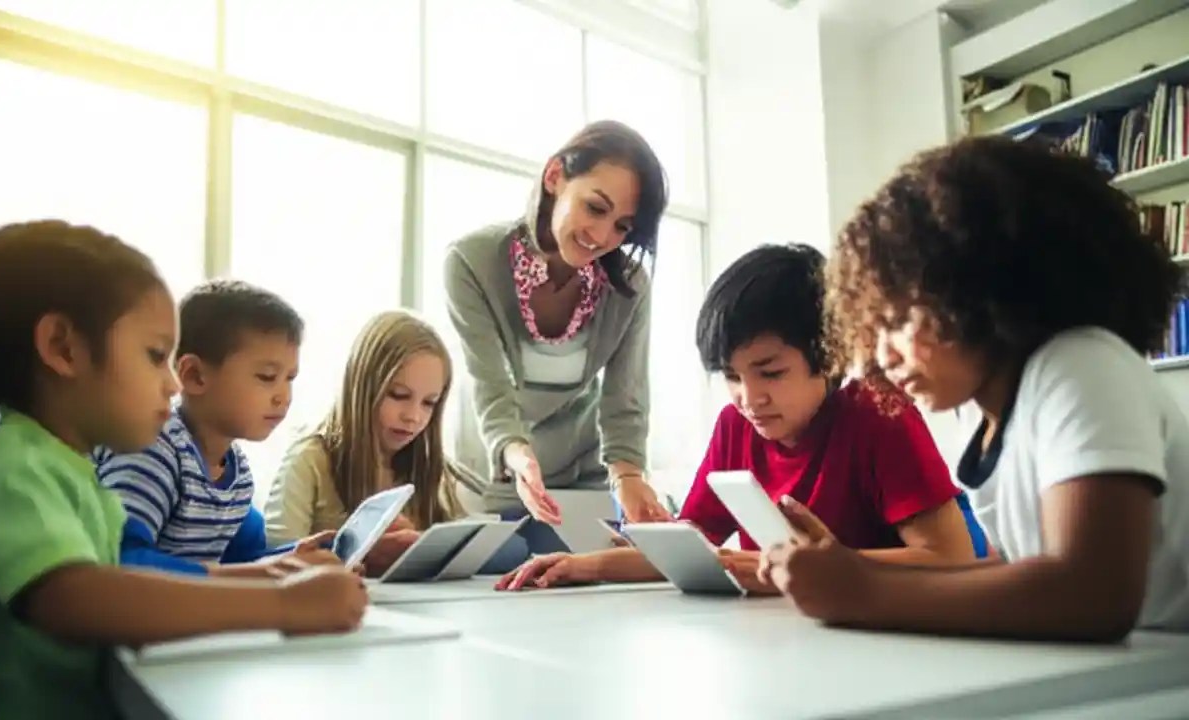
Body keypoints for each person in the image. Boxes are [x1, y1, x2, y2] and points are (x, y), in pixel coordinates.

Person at [0, 221, 365, 719]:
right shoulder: (8, 468)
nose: (173, 384)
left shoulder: (65, 469)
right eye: (155, 357)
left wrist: (270, 577)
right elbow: (76, 595)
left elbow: (121, 571)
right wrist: (283, 604)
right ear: (63, 347)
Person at [765, 136, 1189, 640]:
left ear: (983, 287)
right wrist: (852, 570)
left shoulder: (1083, 364)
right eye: (874, 328)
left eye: (900, 320)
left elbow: (1092, 594)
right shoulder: (983, 416)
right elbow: (1023, 574)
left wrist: (866, 593)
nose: (882, 357)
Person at [498, 243, 976, 592]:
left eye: (771, 372)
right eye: (731, 375)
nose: (750, 398)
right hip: (778, 637)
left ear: (829, 356)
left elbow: (953, 558)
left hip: (882, 635)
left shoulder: (877, 414)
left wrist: (807, 568)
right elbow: (692, 551)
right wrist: (585, 566)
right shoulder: (736, 426)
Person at [444, 120, 672, 556]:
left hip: (582, 481)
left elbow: (625, 400)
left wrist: (628, 478)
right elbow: (491, 388)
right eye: (595, 207)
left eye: (623, 226)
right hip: (501, 472)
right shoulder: (471, 262)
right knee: (501, 576)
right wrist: (518, 457)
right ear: (554, 178)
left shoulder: (629, 285)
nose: (603, 237)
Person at [96, 279, 336, 577]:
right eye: (266, 376)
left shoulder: (236, 474)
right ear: (194, 376)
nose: (283, 396)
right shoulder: (151, 448)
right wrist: (265, 573)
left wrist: (310, 555)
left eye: (290, 378)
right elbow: (119, 559)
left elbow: (248, 559)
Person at [264, 310, 489, 576]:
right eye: (398, 395)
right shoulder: (310, 460)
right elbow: (272, 563)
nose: (413, 416)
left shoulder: (428, 467)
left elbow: (484, 554)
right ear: (361, 387)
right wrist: (360, 553)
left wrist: (422, 546)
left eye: (429, 403)